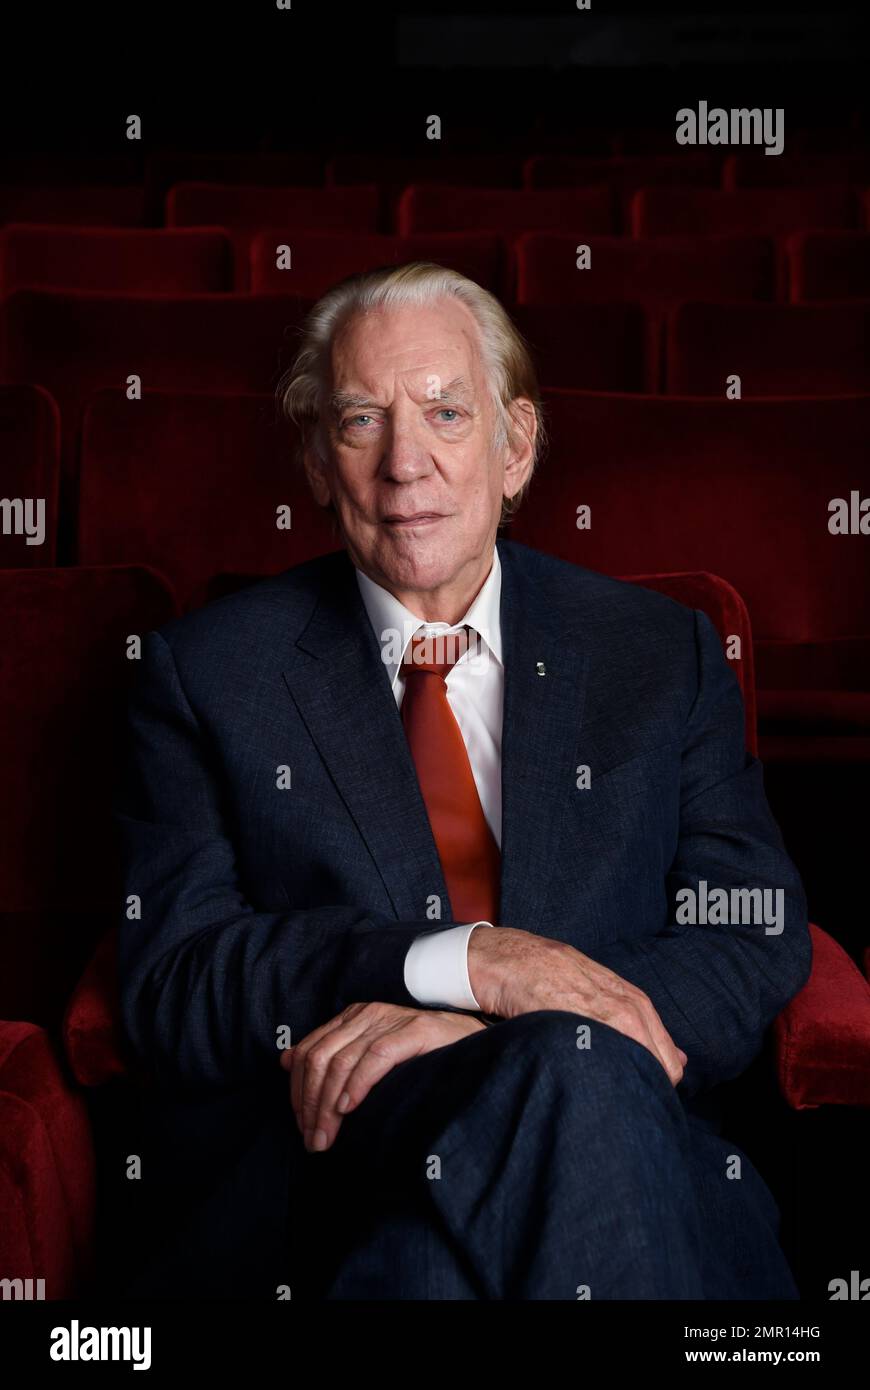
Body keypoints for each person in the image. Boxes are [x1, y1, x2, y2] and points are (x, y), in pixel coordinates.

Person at [116, 262, 811, 1300]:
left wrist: (510, 1026)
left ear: (515, 446)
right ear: (316, 460)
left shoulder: (657, 656)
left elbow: (749, 926)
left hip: (626, 1165)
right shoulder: (209, 674)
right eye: (361, 421)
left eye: (446, 412)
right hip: (339, 1167)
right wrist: (461, 962)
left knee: (490, 1188)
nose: (407, 464)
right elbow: (175, 980)